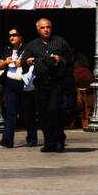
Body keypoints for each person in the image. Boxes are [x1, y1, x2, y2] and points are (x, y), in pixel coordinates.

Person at [21, 17, 76, 152]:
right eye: (43, 27)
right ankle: (49, 143)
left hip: (56, 82)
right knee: (44, 114)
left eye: (48, 27)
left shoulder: (60, 42)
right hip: (40, 83)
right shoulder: (32, 45)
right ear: (38, 30)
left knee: (54, 111)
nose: (46, 30)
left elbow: (71, 57)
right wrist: (27, 62)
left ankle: (59, 140)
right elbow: (23, 63)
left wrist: (59, 59)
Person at [0, 27, 37, 148]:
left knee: (28, 112)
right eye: (10, 36)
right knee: (10, 112)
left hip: (24, 82)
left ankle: (32, 138)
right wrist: (6, 62)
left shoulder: (28, 48)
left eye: (14, 35)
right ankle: (7, 140)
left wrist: (23, 62)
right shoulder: (8, 49)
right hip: (11, 83)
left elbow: (34, 61)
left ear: (20, 37)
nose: (11, 37)